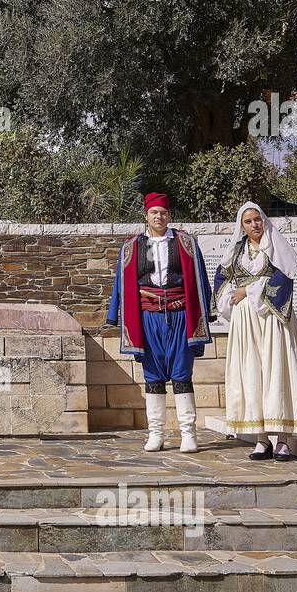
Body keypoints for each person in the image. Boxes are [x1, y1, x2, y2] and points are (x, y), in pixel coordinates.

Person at [214, 202, 297, 461]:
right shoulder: (237, 251)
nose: (254, 225)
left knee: (280, 370)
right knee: (251, 372)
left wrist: (248, 291)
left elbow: (284, 278)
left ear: (264, 220)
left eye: (257, 219)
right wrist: (231, 296)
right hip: (245, 320)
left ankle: (283, 439)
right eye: (248, 221)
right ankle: (261, 439)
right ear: (241, 226)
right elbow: (221, 279)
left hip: (273, 317)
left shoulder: (276, 247)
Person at [108, 192, 214, 453]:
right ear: (146, 215)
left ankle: (188, 433)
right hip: (148, 317)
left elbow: (200, 276)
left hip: (180, 315)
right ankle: (155, 433)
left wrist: (207, 311)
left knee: (181, 373)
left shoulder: (186, 243)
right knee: (153, 375)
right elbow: (120, 283)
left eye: (163, 213)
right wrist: (114, 313)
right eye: (154, 212)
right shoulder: (131, 247)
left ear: (169, 215)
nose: (159, 217)